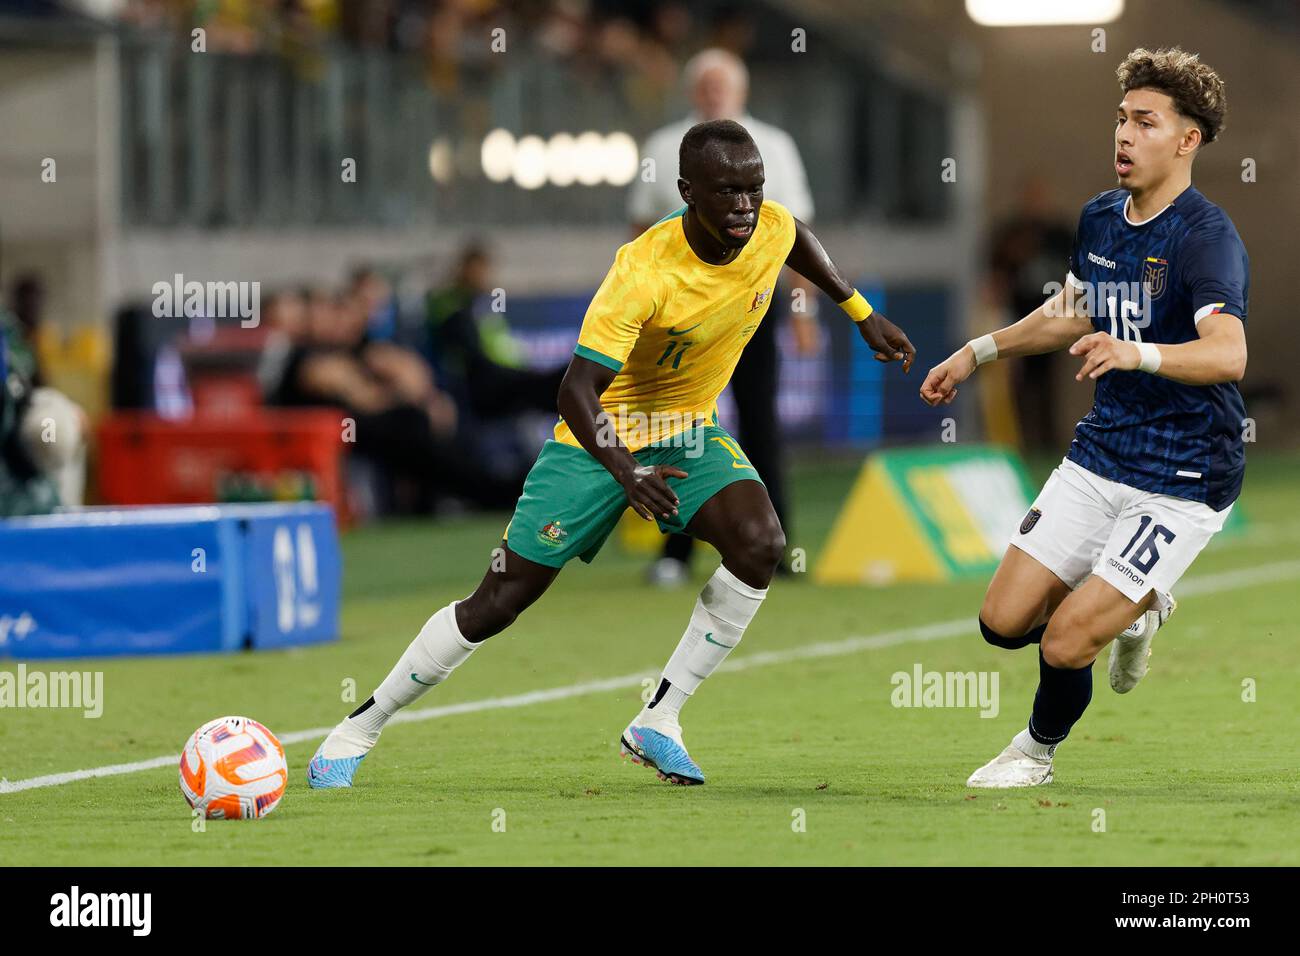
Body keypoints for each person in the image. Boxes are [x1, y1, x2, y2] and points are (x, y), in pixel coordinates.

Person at [308, 119, 915, 788]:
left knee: (759, 543)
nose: (745, 207)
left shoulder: (766, 224)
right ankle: (358, 726)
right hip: (598, 437)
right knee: (501, 599)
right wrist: (627, 472)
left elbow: (795, 235)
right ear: (687, 192)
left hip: (687, 428)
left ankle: (659, 719)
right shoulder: (643, 271)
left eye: (753, 189)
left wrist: (858, 311)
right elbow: (575, 391)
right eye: (727, 192)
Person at [920, 48, 1249, 788]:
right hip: (1102, 455)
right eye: (1120, 120)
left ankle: (1034, 752)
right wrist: (978, 351)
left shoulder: (1205, 237)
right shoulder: (1101, 217)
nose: (1123, 136)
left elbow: (1228, 354)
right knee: (1002, 622)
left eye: (1144, 122)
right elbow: (1072, 313)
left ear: (1187, 140)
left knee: (1065, 642)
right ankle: (1132, 606)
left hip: (1184, 472)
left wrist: (1139, 355)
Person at [629, 48, 818, 587]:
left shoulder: (775, 146)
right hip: (678, 309)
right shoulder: (664, 146)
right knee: (677, 426)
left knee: (761, 422)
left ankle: (775, 545)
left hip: (752, 305)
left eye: (723, 86)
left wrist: (802, 311)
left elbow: (798, 237)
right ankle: (675, 553)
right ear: (694, 92)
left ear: (741, 91)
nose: (714, 95)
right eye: (706, 86)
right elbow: (640, 233)